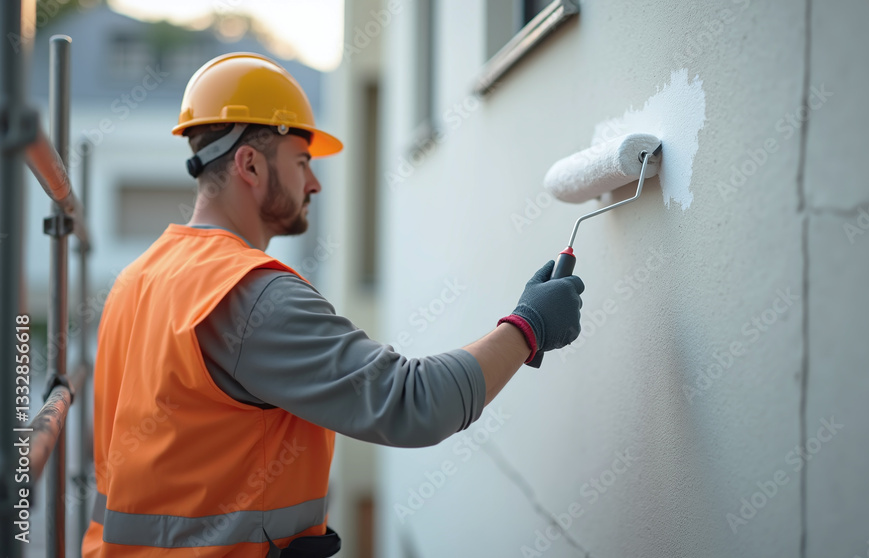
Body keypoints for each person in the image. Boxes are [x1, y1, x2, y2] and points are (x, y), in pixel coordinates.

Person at [81, 52, 585, 557]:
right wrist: (529, 326)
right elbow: (415, 404)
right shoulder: (248, 294)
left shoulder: (136, 280)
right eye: (302, 162)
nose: (315, 182)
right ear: (250, 164)